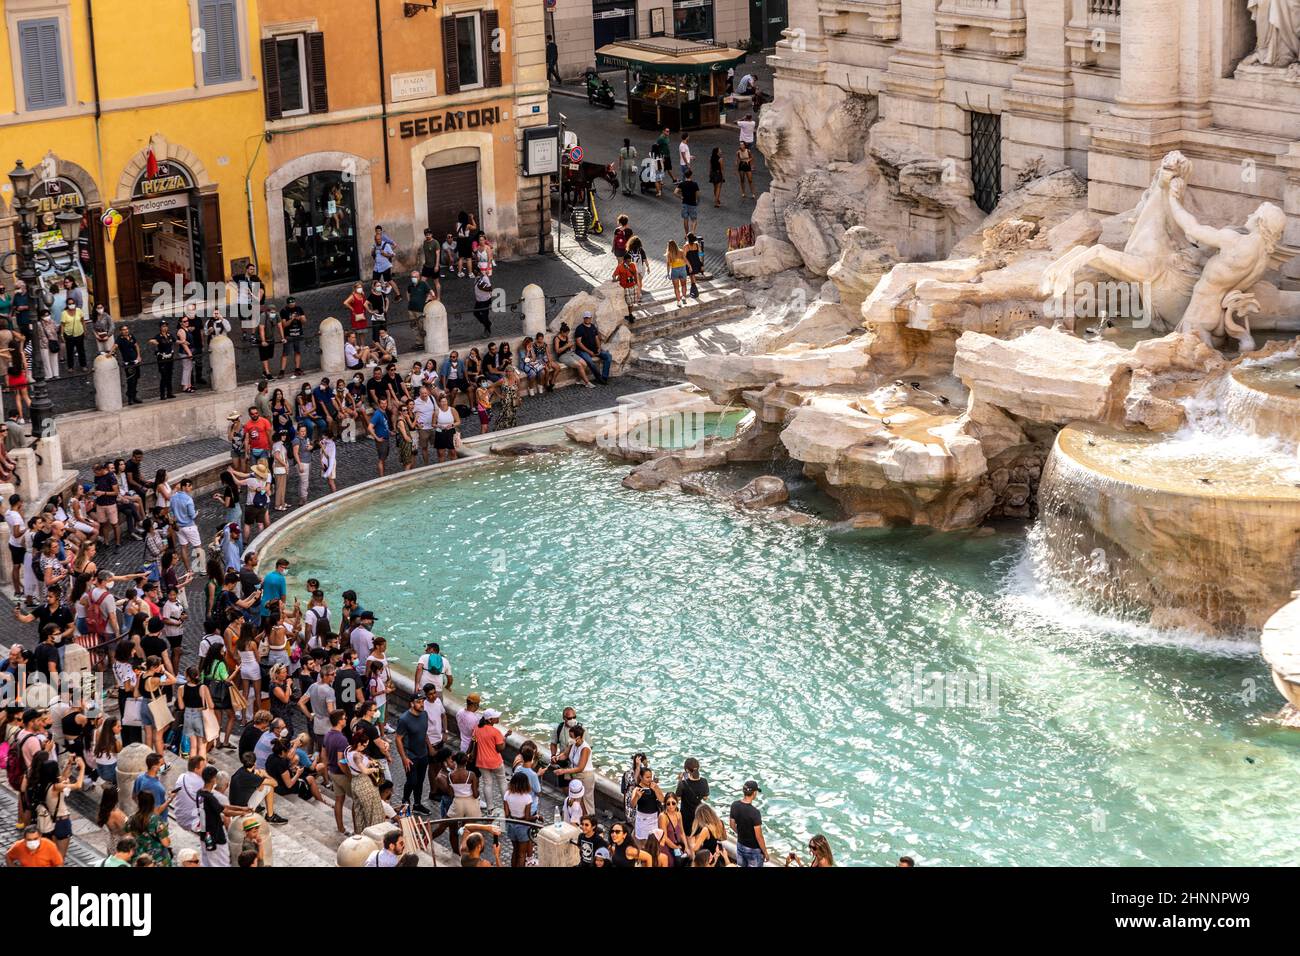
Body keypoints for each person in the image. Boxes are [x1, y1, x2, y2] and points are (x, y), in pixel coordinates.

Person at [395, 694, 431, 812]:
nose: (422, 704)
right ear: (412, 704)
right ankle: (405, 802)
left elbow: (424, 733)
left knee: (420, 781)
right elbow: (398, 739)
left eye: (422, 701)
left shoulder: (424, 714)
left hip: (423, 754)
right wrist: (404, 758)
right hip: (410, 756)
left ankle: (417, 804)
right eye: (419, 702)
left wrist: (430, 748)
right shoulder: (404, 719)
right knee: (412, 781)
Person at [729, 779, 769, 867]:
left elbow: (732, 825)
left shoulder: (734, 805)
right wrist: (765, 852)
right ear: (754, 793)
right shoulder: (755, 812)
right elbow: (759, 836)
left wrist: (741, 834)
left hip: (740, 845)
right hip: (753, 850)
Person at [504, 771, 536, 867]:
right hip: (523, 827)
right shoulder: (527, 798)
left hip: (511, 825)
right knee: (522, 855)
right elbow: (527, 818)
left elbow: (506, 814)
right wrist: (537, 817)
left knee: (515, 851)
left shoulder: (507, 794)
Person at [573, 312, 612, 384]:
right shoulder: (580, 328)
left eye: (589, 318)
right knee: (590, 362)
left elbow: (597, 338)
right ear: (584, 318)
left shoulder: (593, 326)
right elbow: (579, 343)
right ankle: (599, 378)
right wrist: (588, 351)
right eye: (586, 318)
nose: (587, 319)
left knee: (608, 356)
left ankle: (604, 377)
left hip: (594, 349)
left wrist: (599, 348)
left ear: (591, 318)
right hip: (582, 351)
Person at [676, 756, 710, 834]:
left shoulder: (683, 784)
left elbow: (677, 799)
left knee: (689, 838)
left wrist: (679, 780)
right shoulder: (704, 781)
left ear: (687, 770)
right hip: (699, 814)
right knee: (698, 835)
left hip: (686, 815)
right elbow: (705, 798)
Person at [113, 323, 143, 405]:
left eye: (126, 329)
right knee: (130, 380)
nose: (126, 331)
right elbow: (115, 346)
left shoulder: (131, 336)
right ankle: (130, 398)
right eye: (123, 330)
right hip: (128, 363)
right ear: (120, 331)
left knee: (136, 378)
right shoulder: (120, 339)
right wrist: (110, 353)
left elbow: (136, 345)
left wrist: (139, 356)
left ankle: (134, 396)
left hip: (135, 361)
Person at [614, 252, 640, 323]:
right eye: (627, 261)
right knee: (629, 302)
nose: (629, 262)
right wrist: (615, 279)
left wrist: (637, 284)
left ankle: (630, 314)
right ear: (624, 260)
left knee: (632, 302)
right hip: (625, 287)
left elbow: (634, 273)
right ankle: (629, 315)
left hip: (632, 286)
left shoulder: (632, 265)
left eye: (630, 261)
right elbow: (614, 275)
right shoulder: (620, 266)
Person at [675, 168, 700, 238]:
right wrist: (697, 201)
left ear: (685, 175)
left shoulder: (682, 184)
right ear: (691, 175)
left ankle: (686, 234)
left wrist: (681, 197)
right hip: (692, 204)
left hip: (684, 204)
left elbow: (675, 192)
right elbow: (698, 194)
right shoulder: (695, 184)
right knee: (694, 220)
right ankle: (693, 233)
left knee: (685, 219)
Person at [666, 240, 690, 308]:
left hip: (674, 271)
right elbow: (685, 260)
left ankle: (678, 302)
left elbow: (668, 264)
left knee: (676, 287)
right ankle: (684, 297)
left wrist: (668, 273)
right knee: (684, 285)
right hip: (682, 269)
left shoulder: (669, 254)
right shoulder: (681, 251)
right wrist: (689, 266)